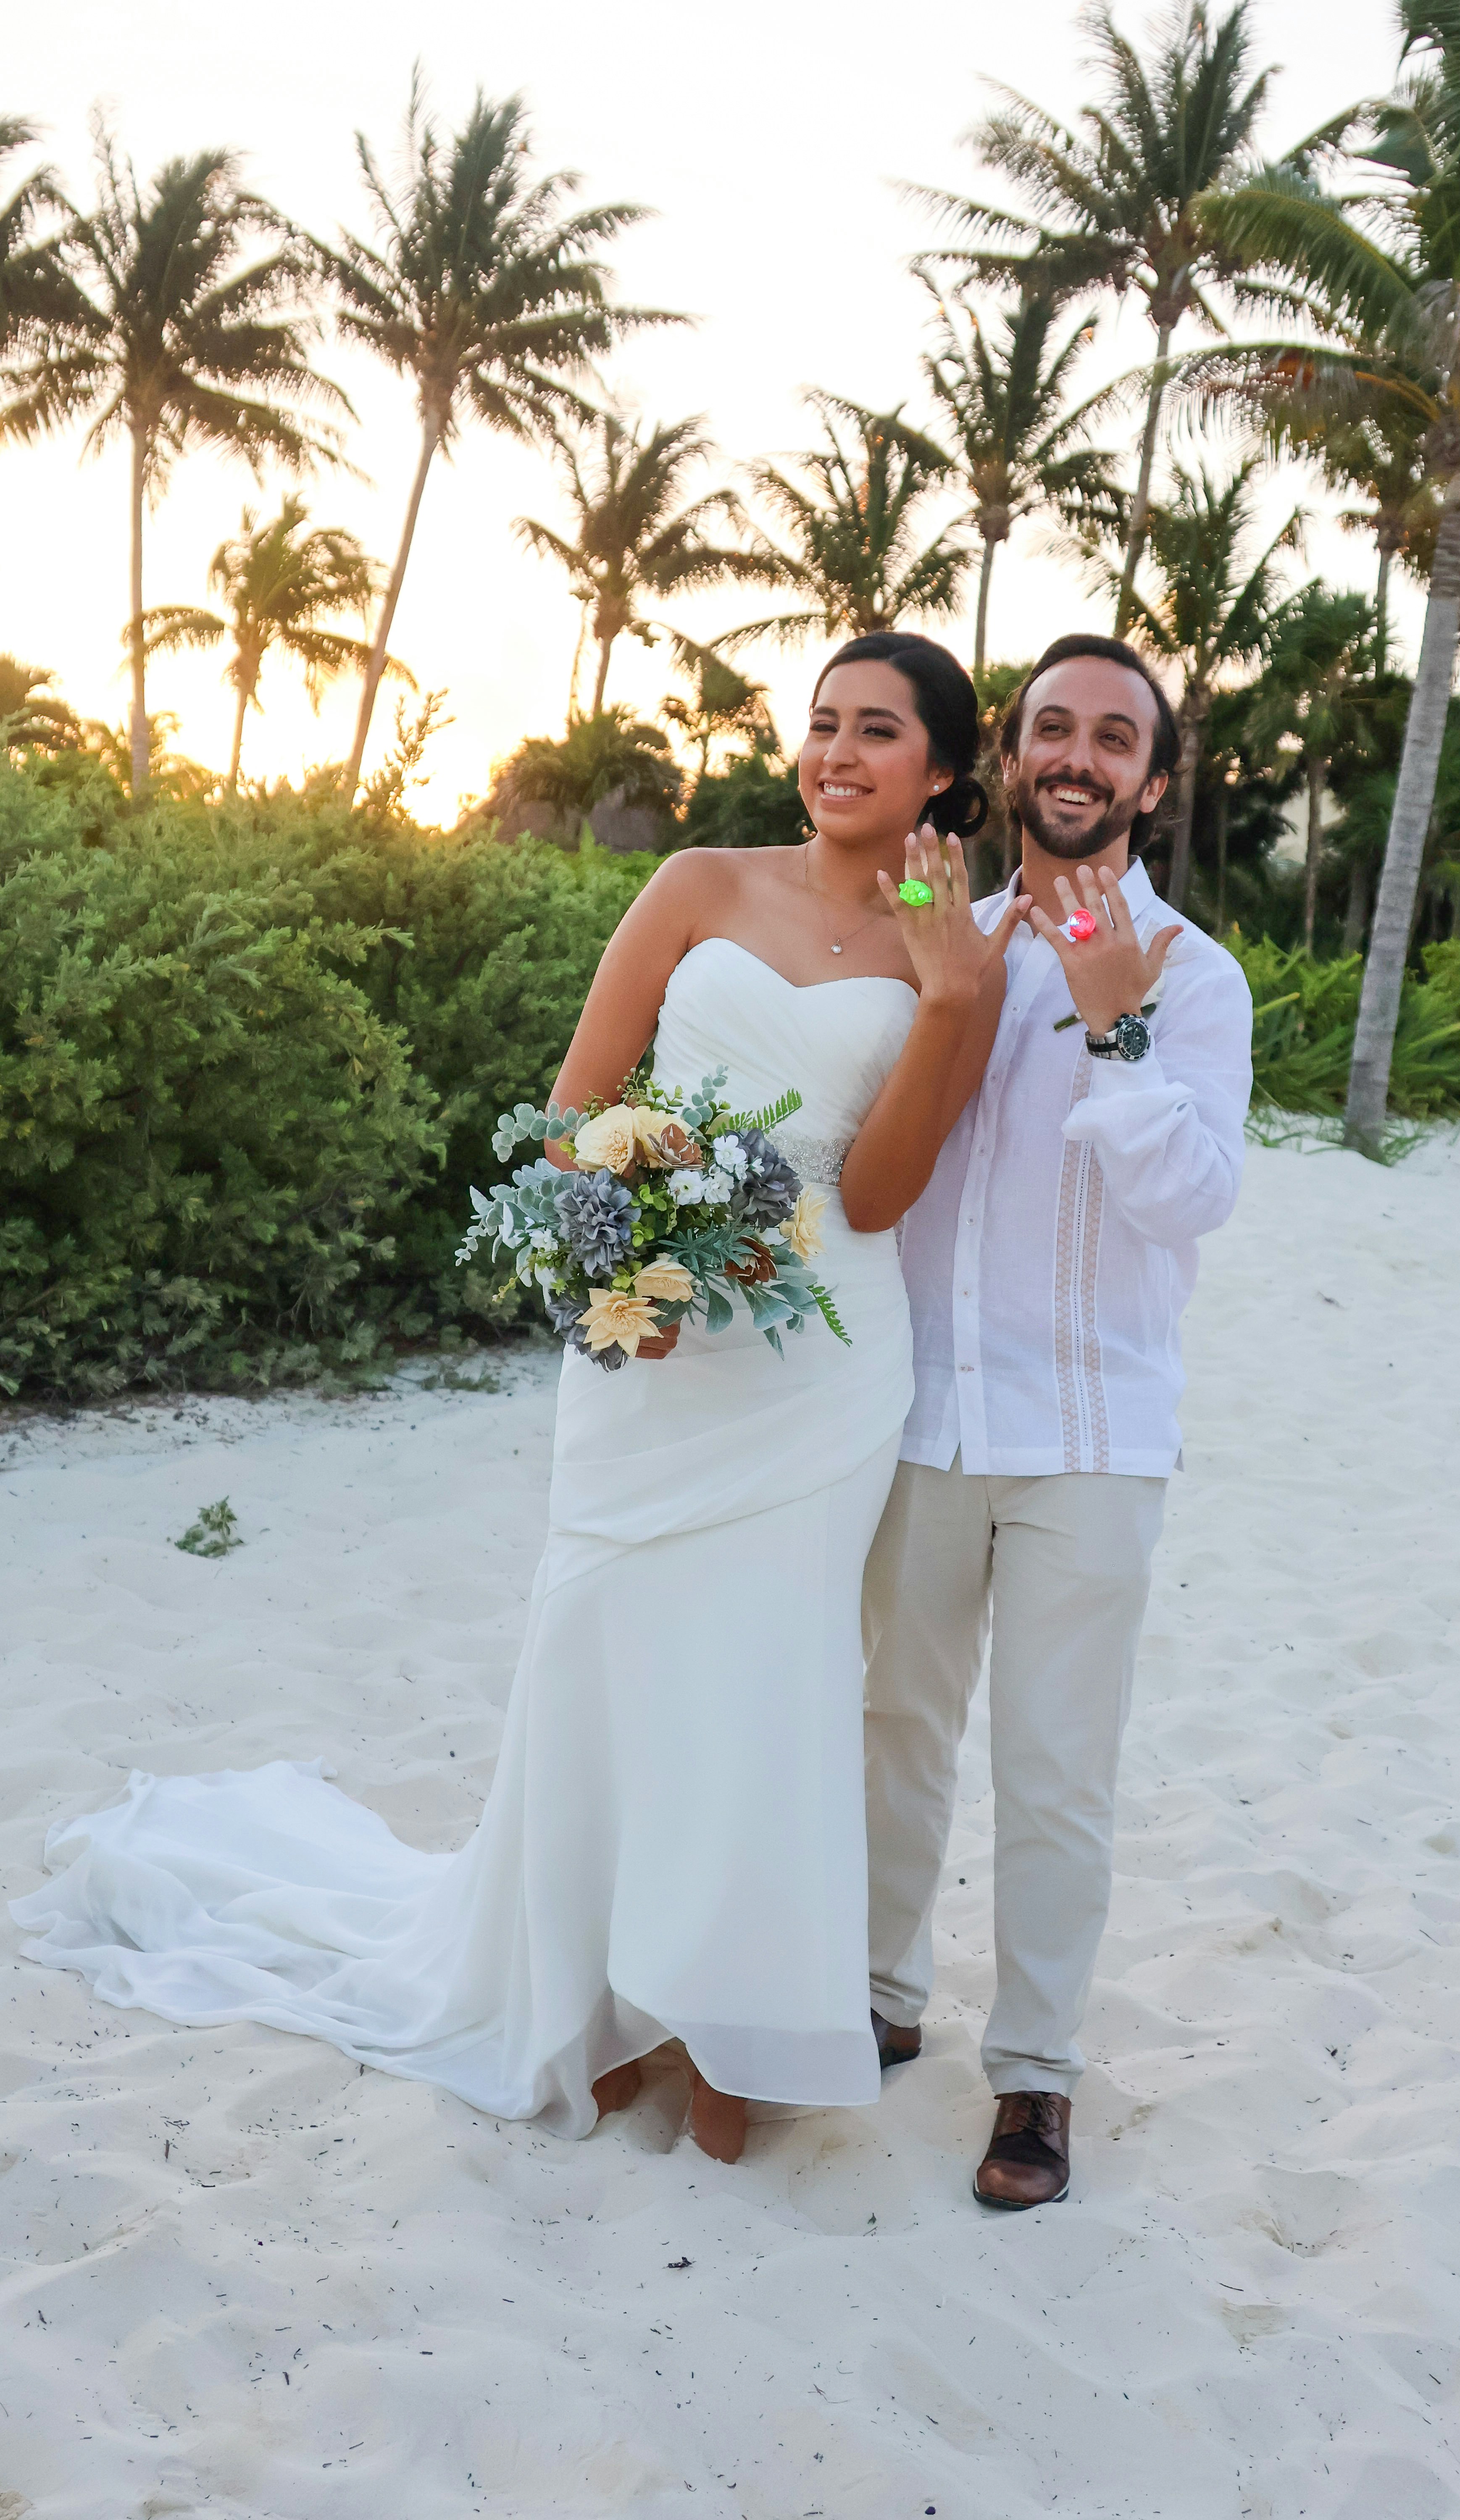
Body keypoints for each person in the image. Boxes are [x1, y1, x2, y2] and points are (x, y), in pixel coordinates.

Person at [12, 633, 1030, 2168]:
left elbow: (878, 1200)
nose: (835, 751)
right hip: (658, 1340)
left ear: (943, 773)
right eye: (822, 722)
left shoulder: (958, 952)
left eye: (877, 732)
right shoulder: (696, 884)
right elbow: (573, 1108)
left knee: (771, 1671)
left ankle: (727, 2018)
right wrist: (654, 1238)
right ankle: (591, 1994)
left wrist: (951, 1005)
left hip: (824, 1366)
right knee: (610, 1645)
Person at [861, 633, 1254, 2209]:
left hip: (1093, 1432)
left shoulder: (1193, 977)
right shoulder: (934, 941)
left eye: (1116, 737)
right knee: (895, 1726)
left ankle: (1032, 2076)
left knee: (1055, 1765)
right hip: (923, 1418)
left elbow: (1191, 1204)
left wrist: (1115, 1026)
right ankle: (880, 1998)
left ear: (1153, 782)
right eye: (1054, 730)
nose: (1081, 757)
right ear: (1013, 760)